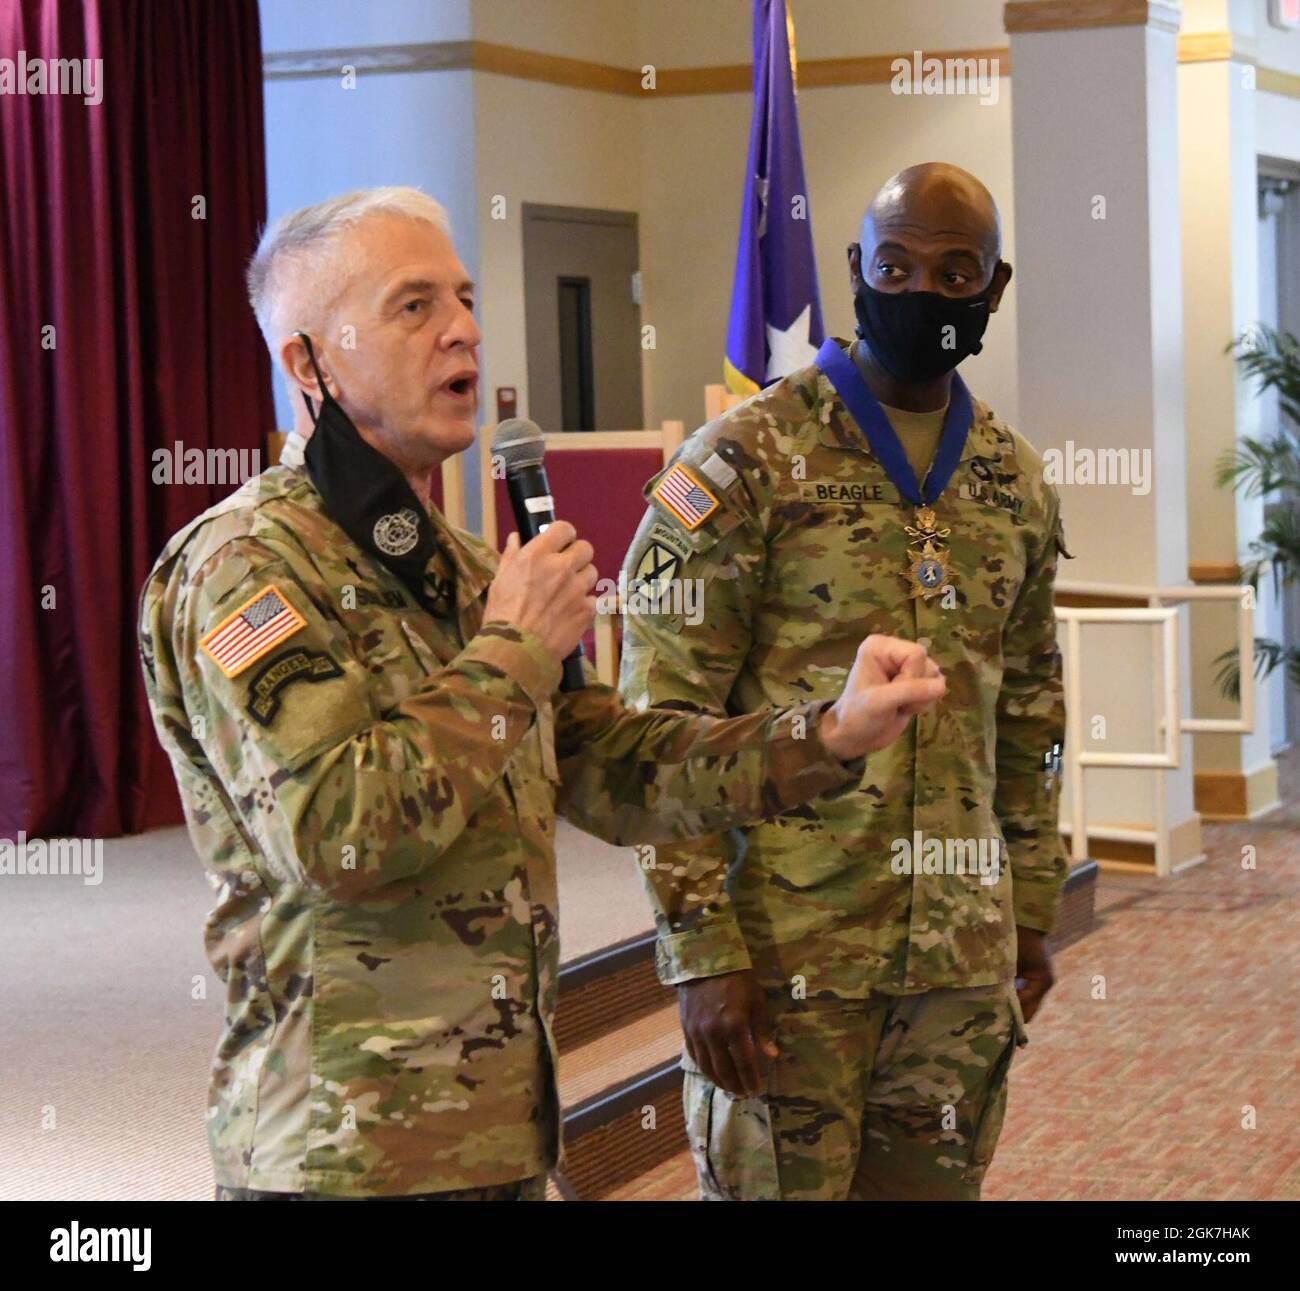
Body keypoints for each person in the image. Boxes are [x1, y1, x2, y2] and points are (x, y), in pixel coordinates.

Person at [137, 187, 945, 1201]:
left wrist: (827, 731)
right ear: (309, 363)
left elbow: (611, 769)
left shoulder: (472, 568)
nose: (464, 329)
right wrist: (515, 648)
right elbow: (340, 833)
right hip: (341, 1158)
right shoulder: (246, 569)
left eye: (465, 298)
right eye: (413, 305)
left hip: (505, 1140)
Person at [619, 162, 1072, 1201]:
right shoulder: (742, 462)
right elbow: (661, 728)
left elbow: (1033, 710)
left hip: (958, 958)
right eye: (896, 265)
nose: (922, 291)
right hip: (787, 957)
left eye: (954, 272)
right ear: (857, 271)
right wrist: (699, 951)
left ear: (993, 289)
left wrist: (1032, 901)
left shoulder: (1011, 477)